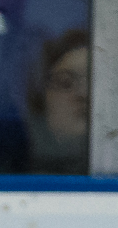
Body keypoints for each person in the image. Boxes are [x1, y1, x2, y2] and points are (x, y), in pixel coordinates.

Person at [24, 28, 89, 173]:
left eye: (95, 83)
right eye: (66, 82)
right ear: (41, 102)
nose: (84, 93)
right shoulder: (11, 177)